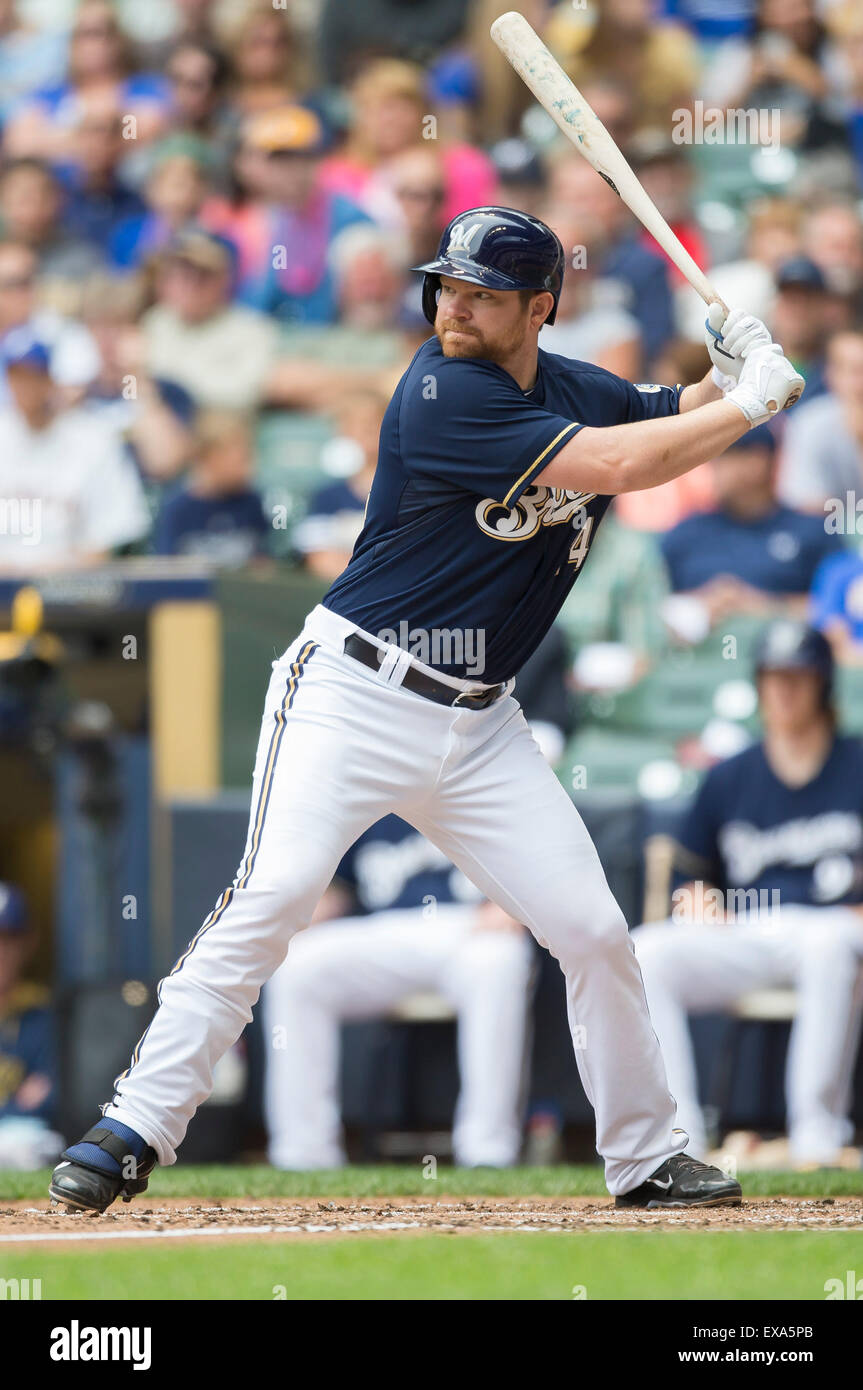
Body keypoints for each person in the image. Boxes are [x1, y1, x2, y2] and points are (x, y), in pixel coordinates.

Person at [49, 205, 804, 1216]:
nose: (453, 304)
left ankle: (647, 1155)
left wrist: (723, 368)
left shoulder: (572, 384)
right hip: (353, 693)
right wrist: (748, 405)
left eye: (482, 295)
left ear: (540, 306)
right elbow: (626, 466)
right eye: (446, 285)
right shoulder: (439, 388)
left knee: (589, 929)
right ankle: (132, 1126)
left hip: (481, 723)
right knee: (270, 898)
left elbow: (662, 419)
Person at [632, 622, 863, 1168]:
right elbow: (695, 878)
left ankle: (817, 1136)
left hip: (836, 928)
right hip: (750, 931)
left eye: (797, 679)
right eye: (772, 678)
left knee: (830, 943)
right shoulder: (730, 776)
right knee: (648, 950)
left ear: (822, 684)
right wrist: (697, 901)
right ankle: (680, 1142)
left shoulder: (857, 763)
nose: (783, 691)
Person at [263, 815, 534, 1170]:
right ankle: (303, 1154)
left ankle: (488, 1152)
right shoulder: (365, 780)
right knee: (297, 967)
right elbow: (337, 890)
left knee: (498, 963)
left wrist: (515, 902)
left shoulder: (484, 769)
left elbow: (535, 856)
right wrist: (289, 920)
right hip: (383, 930)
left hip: (469, 926)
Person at [660, 426, 841, 627]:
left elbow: (841, 609)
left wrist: (761, 605)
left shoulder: (811, 531)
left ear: (757, 461)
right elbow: (648, 605)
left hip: (784, 651)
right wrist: (698, 604)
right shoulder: (685, 533)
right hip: (696, 652)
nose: (712, 466)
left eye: (722, 456)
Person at [0, 329, 150, 572]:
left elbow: (103, 543)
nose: (26, 387)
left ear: (50, 379)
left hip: (72, 590)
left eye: (34, 376)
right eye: (17, 376)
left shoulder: (95, 440)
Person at [141, 226, 279, 411]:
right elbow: (133, 389)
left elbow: (245, 394)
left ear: (225, 280)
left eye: (202, 276)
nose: (189, 284)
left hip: (215, 428)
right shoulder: (156, 322)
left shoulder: (252, 329)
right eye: (181, 273)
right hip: (161, 421)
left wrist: (168, 385)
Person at [152, 409, 270, 567]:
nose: (250, 468)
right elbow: (166, 568)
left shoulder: (252, 503)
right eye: (241, 459)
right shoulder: (178, 508)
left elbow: (265, 562)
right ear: (210, 457)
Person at [0, 882, 61, 1170]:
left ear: (27, 943)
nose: (1, 951)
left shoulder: (43, 1014)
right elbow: (26, 1097)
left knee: (28, 1146)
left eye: (7, 939)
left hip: (19, 1139)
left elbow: (46, 1100)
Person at [779, 328, 863, 511]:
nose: (860, 384)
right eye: (855, 371)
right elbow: (806, 507)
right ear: (831, 375)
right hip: (828, 536)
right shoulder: (809, 424)